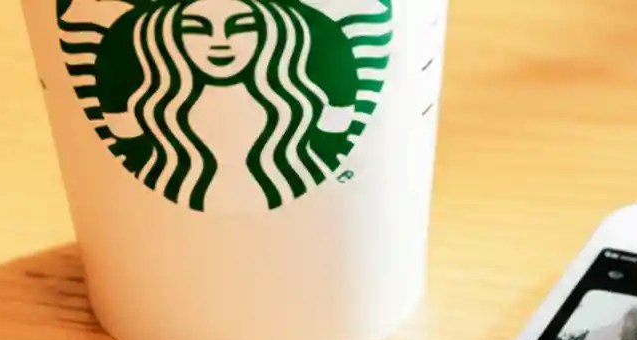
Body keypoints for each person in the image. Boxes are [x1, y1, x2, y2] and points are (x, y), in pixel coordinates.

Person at [59, 0, 391, 211]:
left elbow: (337, 120)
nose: (220, 42)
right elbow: (122, 127)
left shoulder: (297, 102)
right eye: (196, 28)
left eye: (242, 25)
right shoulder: (156, 106)